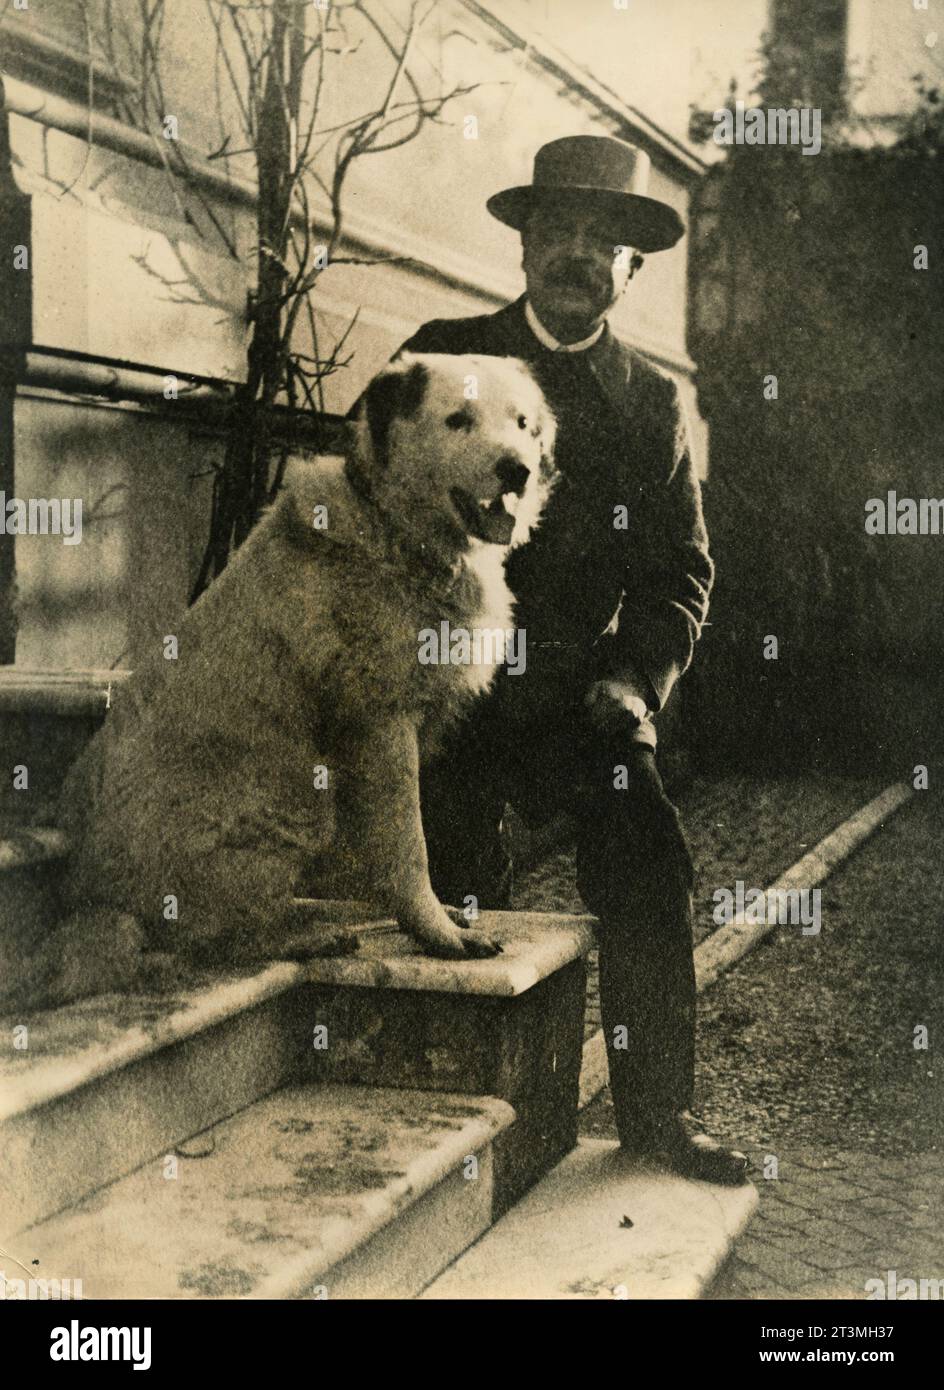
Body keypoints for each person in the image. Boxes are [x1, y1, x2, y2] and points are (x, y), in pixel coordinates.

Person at [398, 134, 748, 1185]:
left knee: (644, 844)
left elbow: (680, 570)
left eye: (604, 242)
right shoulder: (442, 355)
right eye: (558, 230)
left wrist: (633, 682)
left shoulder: (647, 404)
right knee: (445, 881)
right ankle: (434, 1119)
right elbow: (369, 506)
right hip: (440, 682)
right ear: (523, 243)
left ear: (628, 270)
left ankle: (655, 1117)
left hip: (566, 688)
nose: (577, 255)